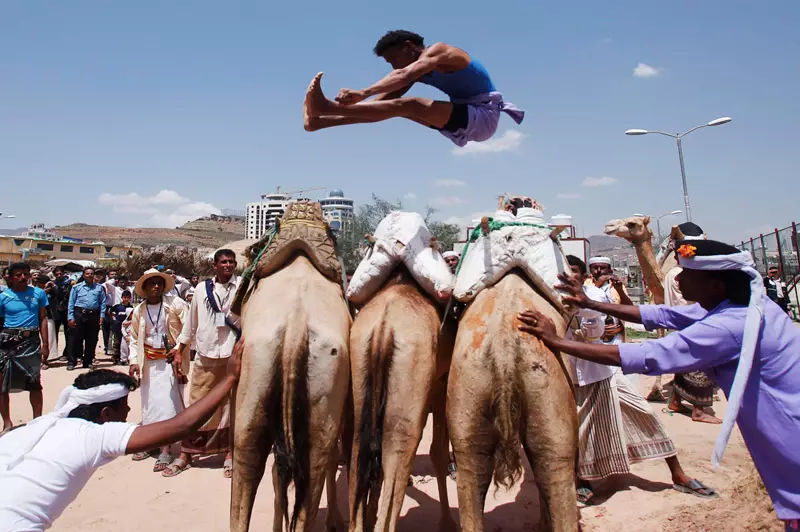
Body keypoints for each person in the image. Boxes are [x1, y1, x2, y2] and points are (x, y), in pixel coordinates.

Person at [518, 240, 800, 530]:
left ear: (716, 285)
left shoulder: (729, 326)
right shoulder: (745, 307)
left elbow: (649, 355)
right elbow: (663, 315)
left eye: (687, 274)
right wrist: (589, 303)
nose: (677, 279)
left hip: (789, 436)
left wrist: (555, 341)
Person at [0, 340, 243, 531]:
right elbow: (184, 426)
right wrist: (230, 377)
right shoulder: (94, 435)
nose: (128, 411)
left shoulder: (34, 427)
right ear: (105, 413)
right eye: (124, 405)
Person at [561, 256, 713, 504]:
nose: (572, 277)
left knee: (644, 413)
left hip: (603, 370)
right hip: (572, 373)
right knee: (578, 430)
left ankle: (678, 473)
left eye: (576, 272)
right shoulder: (554, 295)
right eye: (568, 272)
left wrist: (582, 308)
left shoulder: (594, 295)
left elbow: (594, 331)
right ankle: (582, 480)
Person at [303, 30, 524, 147]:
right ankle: (319, 121)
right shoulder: (414, 74)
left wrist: (363, 92)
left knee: (410, 105)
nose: (394, 66)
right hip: (462, 119)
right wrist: (336, 112)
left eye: (394, 59)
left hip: (483, 116)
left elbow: (404, 74)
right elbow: (379, 107)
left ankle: (323, 107)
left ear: (409, 47)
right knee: (392, 108)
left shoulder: (441, 52)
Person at [166, 249, 240, 478]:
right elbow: (191, 321)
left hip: (232, 353)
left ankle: (229, 453)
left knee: (230, 405)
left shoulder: (243, 287)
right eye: (223, 262)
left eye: (231, 262)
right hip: (206, 353)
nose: (228, 265)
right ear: (214, 266)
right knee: (197, 402)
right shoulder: (201, 289)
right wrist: (180, 348)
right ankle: (187, 453)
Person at [128, 268, 187, 473]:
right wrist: (133, 360)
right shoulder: (139, 311)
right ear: (144, 287)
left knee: (166, 404)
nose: (155, 286)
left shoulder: (176, 305)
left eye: (158, 283)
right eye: (151, 283)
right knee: (149, 404)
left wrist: (178, 349)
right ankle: (150, 442)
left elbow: (188, 329)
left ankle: (165, 448)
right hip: (148, 363)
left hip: (169, 362)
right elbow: (134, 338)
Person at [663, 222, 722, 424]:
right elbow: (694, 304)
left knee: (683, 366)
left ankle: (675, 401)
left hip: (678, 326)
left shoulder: (672, 274)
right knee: (702, 366)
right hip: (693, 326)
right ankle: (699, 409)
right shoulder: (684, 275)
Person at [0, 263, 49, 433]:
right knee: (1, 385)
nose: (22, 278)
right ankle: (7, 423)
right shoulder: (3, 297)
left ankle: (38, 421)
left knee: (35, 383)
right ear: (10, 277)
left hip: (31, 342)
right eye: (18, 275)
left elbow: (43, 318)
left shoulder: (39, 293)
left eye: (26, 274)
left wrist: (45, 345)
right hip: (7, 342)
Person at [66, 267, 106, 371]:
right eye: (87, 273)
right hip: (79, 314)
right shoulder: (76, 287)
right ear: (83, 275)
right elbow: (71, 303)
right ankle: (72, 361)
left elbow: (103, 303)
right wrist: (70, 317)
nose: (90, 275)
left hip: (93, 315)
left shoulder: (99, 288)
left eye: (92, 274)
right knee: (74, 339)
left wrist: (102, 316)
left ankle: (87, 361)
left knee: (91, 339)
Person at [34, 275, 58, 365]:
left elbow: (61, 295)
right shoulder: (36, 292)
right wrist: (43, 292)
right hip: (37, 317)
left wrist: (53, 286)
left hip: (49, 316)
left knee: (50, 338)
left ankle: (47, 358)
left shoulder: (52, 291)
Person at [109, 290, 134, 365]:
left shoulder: (131, 307)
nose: (126, 299)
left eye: (128, 298)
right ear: (122, 297)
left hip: (126, 328)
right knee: (117, 342)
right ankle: (115, 357)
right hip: (117, 326)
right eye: (124, 297)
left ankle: (124, 357)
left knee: (125, 343)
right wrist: (113, 318)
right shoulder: (117, 306)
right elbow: (110, 311)